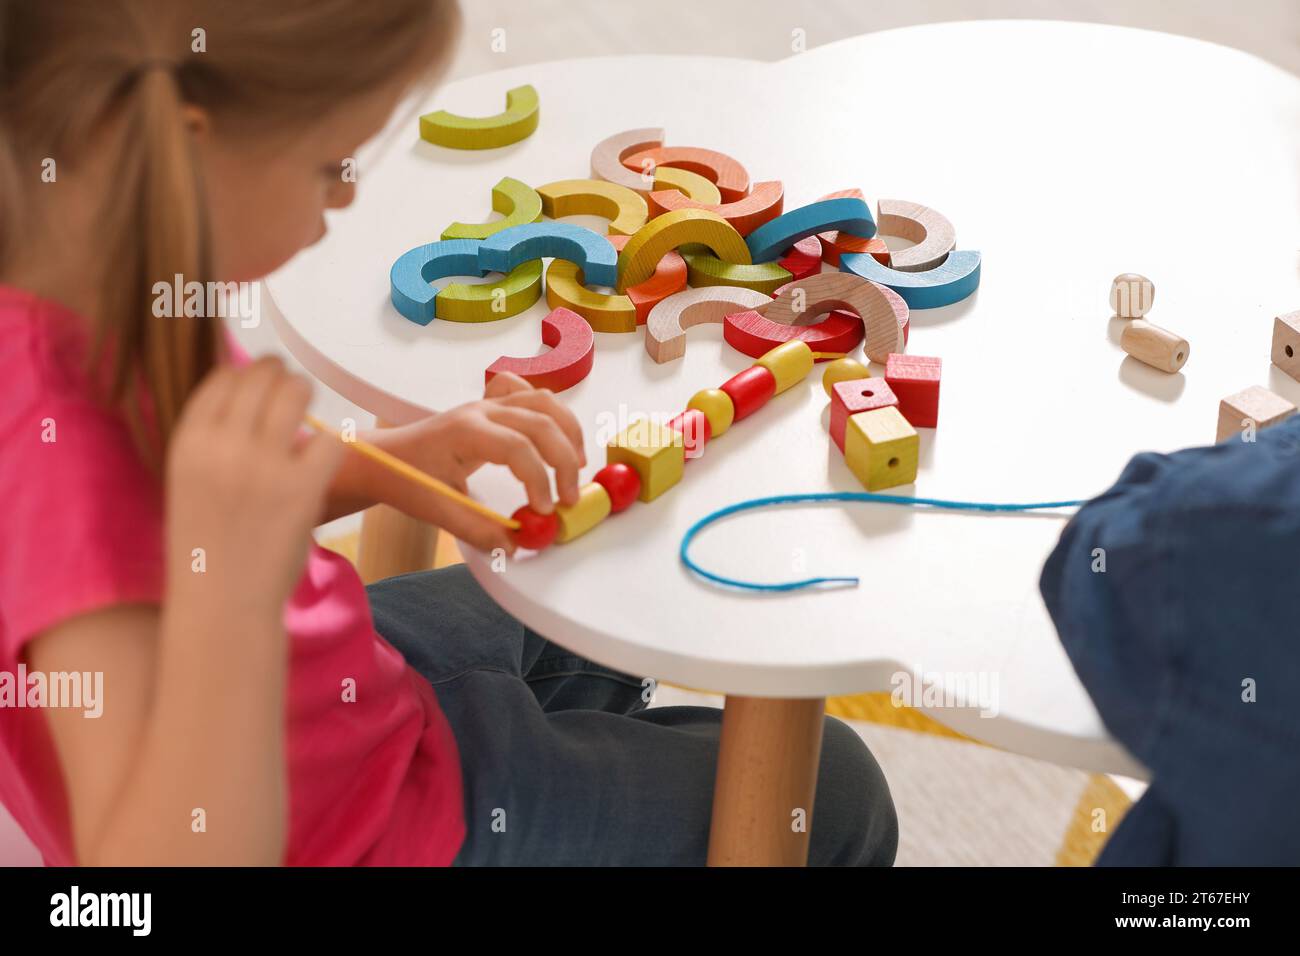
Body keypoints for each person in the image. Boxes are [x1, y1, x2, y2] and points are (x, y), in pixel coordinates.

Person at [0, 0, 897, 866]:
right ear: (182, 152)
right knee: (837, 796)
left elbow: (216, 501)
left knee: (605, 577)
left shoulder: (112, 274)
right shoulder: (58, 455)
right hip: (357, 832)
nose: (348, 193)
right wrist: (231, 593)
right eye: (329, 163)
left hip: (353, 695)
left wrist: (399, 464)